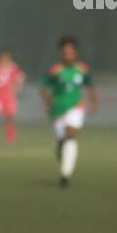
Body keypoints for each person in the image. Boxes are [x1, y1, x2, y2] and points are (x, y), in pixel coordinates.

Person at [40, 36, 98, 187]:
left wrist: (93, 102)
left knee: (70, 135)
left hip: (76, 107)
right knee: (61, 143)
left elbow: (90, 85)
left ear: (75, 53)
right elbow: (44, 87)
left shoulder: (83, 69)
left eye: (71, 52)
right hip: (58, 110)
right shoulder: (55, 70)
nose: (68, 55)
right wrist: (48, 101)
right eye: (65, 53)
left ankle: (65, 175)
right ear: (61, 53)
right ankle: (63, 158)